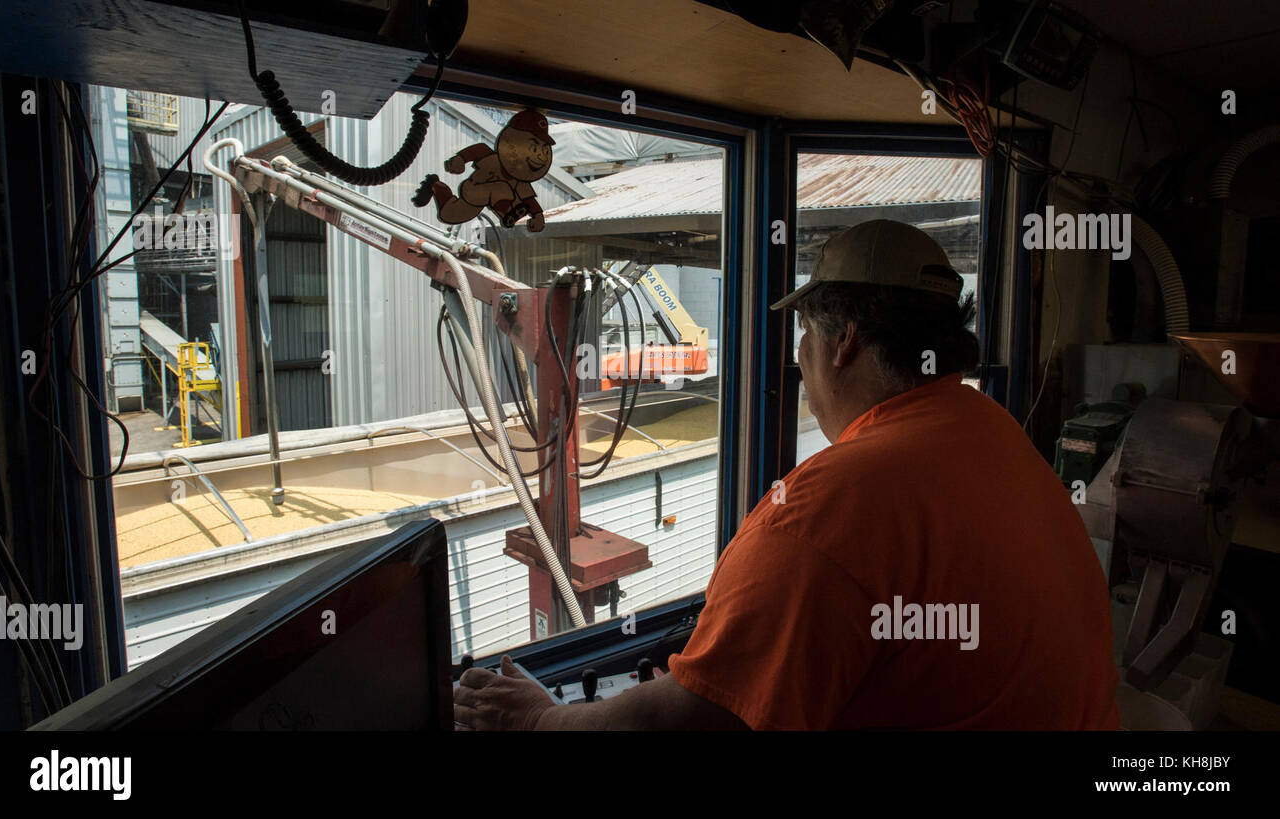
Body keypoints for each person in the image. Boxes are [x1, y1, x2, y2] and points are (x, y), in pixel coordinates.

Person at [454, 219, 1120, 730]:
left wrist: (540, 719)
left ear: (845, 341)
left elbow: (694, 725)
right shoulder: (992, 431)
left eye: (803, 333)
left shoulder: (828, 506)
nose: (799, 362)